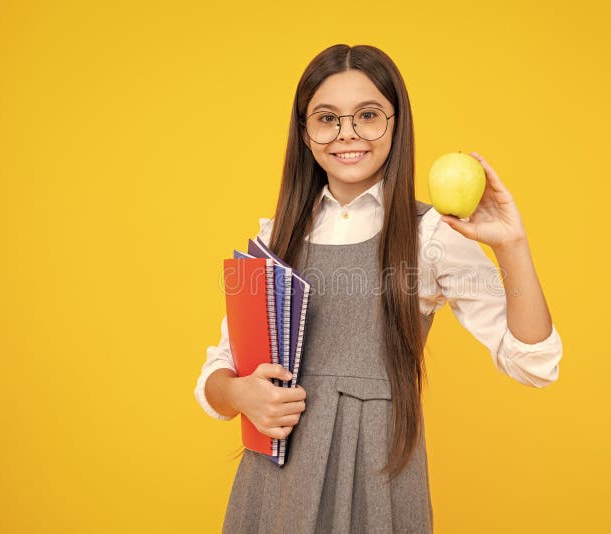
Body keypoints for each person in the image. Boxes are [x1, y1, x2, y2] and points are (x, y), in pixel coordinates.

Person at [194, 43, 563, 533]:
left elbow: (534, 363)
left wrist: (511, 245)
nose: (347, 133)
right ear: (304, 132)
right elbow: (218, 373)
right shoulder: (273, 238)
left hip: (376, 481)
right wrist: (241, 394)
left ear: (396, 123)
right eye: (327, 118)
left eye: (368, 115)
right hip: (274, 486)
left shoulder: (429, 236)